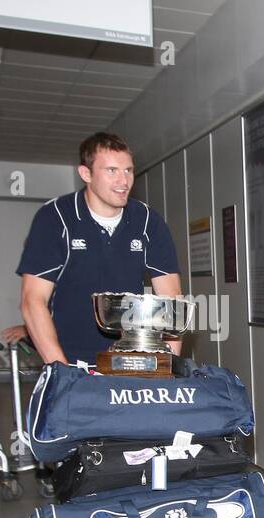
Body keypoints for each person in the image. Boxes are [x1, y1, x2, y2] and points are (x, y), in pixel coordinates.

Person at [16, 132, 182, 366]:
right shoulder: (55, 217)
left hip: (131, 363)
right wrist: (60, 371)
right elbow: (32, 300)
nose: (124, 181)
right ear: (86, 173)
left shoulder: (147, 221)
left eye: (128, 170)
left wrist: (167, 365)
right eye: (112, 171)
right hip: (72, 362)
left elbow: (170, 299)